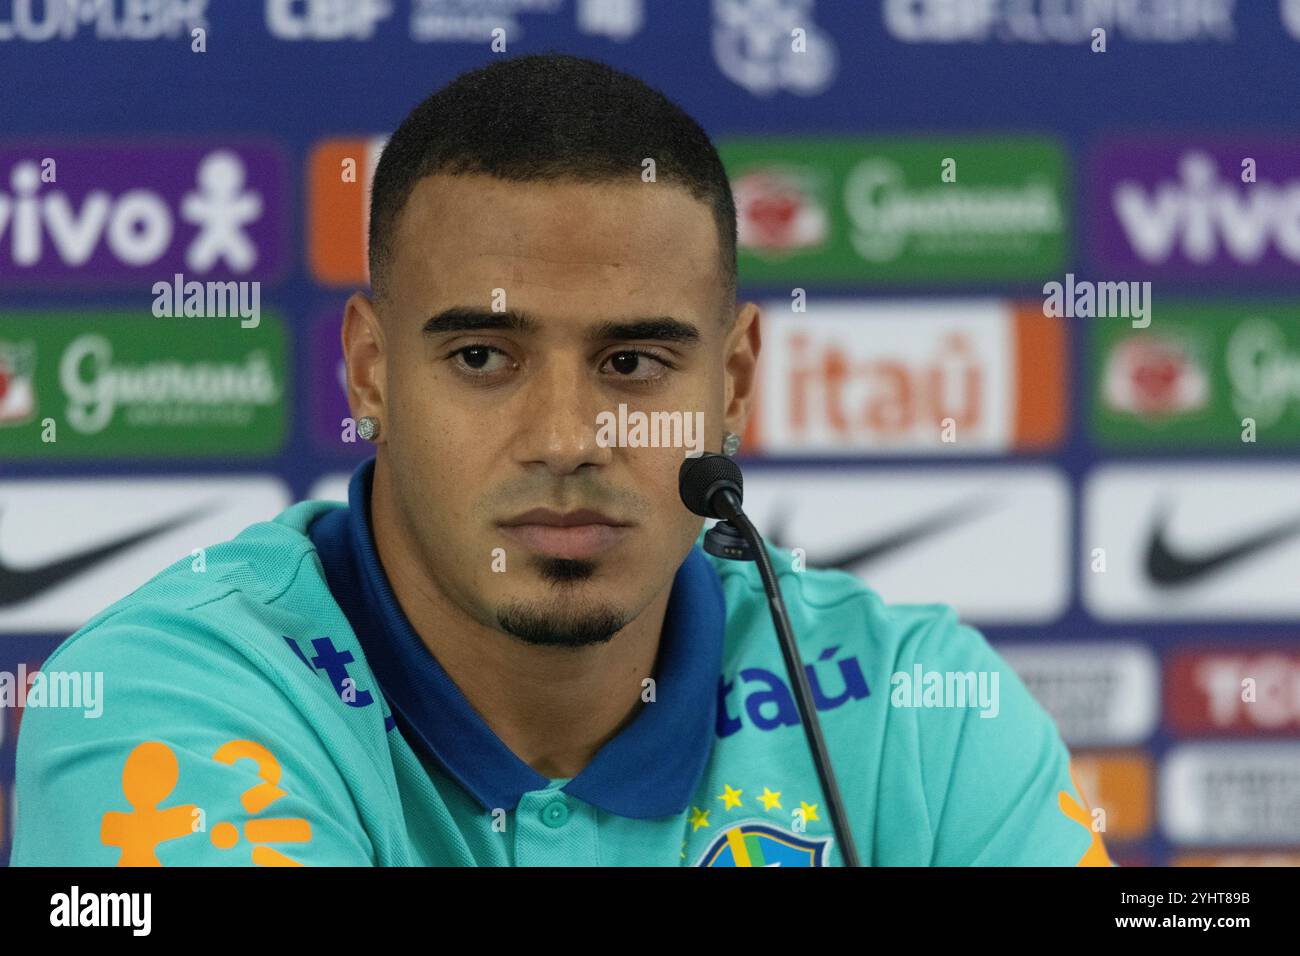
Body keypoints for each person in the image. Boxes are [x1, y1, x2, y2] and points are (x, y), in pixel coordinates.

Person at [11, 53, 1109, 867]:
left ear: (730, 387)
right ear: (368, 373)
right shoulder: (172, 696)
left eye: (633, 361)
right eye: (483, 355)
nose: (569, 439)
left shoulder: (916, 708)